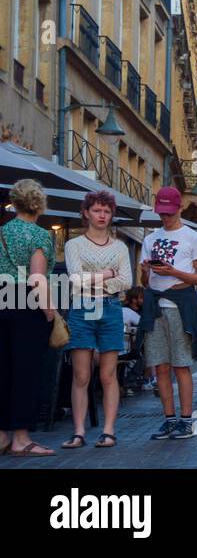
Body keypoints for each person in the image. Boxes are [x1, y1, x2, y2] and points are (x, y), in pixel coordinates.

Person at [62, 190, 132, 449]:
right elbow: (75, 279)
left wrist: (93, 277)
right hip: (83, 307)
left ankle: (109, 430)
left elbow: (126, 281)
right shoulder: (73, 245)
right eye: (97, 210)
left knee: (108, 374)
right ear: (86, 213)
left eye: (106, 211)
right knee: (81, 375)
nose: (102, 215)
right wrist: (107, 273)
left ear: (111, 215)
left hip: (111, 307)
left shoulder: (120, 247)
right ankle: (79, 431)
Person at [137, 186, 197, 440]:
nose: (165, 218)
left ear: (179, 208)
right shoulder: (150, 239)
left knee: (181, 365)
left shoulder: (192, 237)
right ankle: (169, 419)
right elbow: (145, 282)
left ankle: (187, 420)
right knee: (160, 366)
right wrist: (147, 271)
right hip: (156, 305)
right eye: (162, 213)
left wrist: (174, 272)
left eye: (169, 212)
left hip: (180, 306)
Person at [0, 179, 57, 456]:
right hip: (25, 303)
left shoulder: (2, 232)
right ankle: (21, 439)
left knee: (2, 370)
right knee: (26, 372)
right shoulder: (39, 236)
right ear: (39, 204)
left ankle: (1, 437)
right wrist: (49, 310)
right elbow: (36, 276)